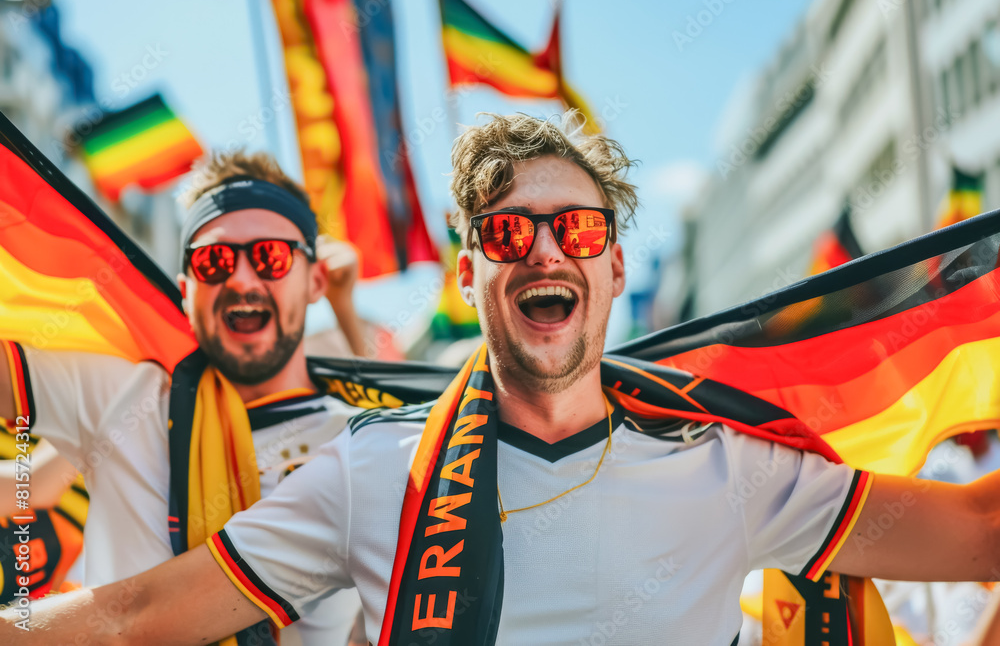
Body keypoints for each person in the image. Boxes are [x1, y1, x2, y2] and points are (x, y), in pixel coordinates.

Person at [3, 114, 999, 645]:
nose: (543, 253)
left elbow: (979, 535)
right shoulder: (371, 473)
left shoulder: (729, 468)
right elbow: (134, 617)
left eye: (576, 228)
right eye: (506, 233)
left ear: (611, 266)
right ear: (470, 271)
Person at [0, 151, 366, 645]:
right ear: (185, 290)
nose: (240, 278)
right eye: (213, 260)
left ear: (315, 279)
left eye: (271, 257)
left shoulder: (365, 449)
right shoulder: (128, 396)